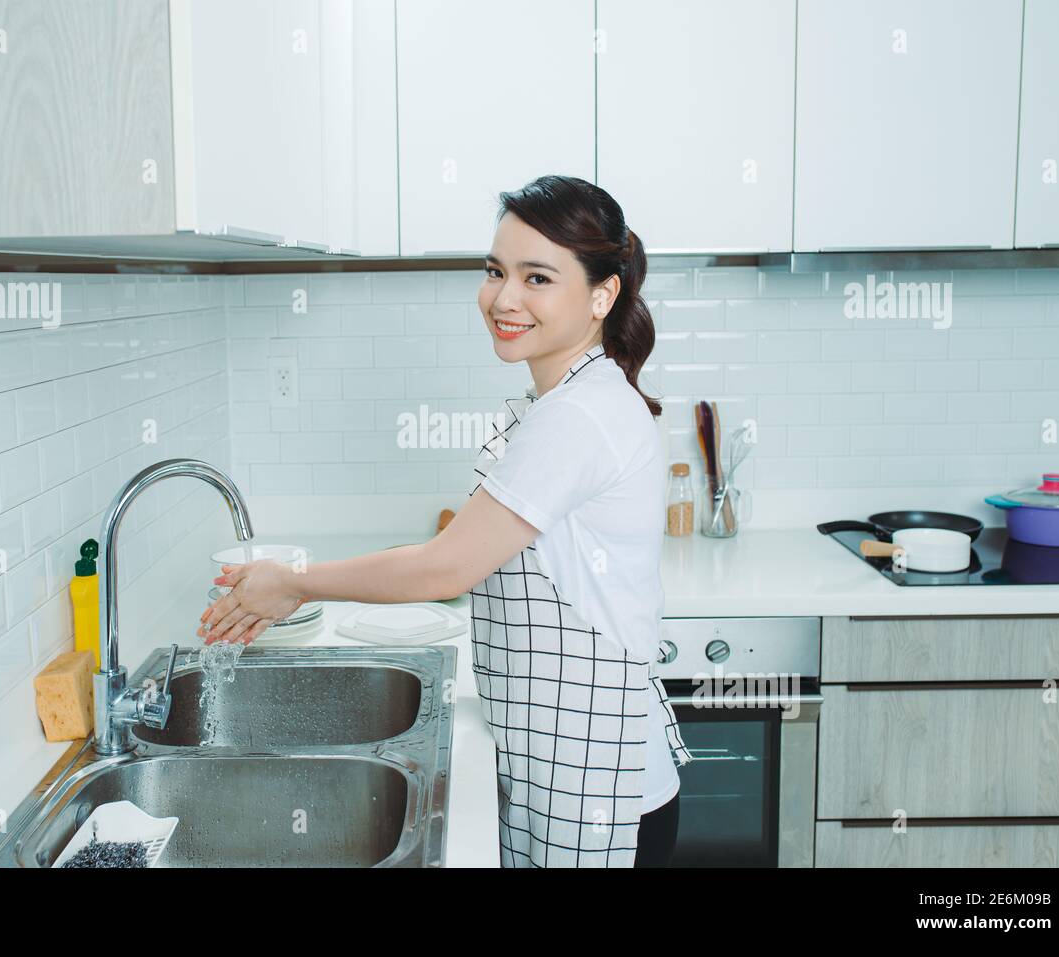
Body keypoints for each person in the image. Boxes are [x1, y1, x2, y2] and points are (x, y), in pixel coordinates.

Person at [199, 174, 693, 867]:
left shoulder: (578, 416)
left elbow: (446, 566)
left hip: (598, 783)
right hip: (582, 764)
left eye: (538, 277)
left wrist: (297, 582)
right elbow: (462, 545)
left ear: (601, 295)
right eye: (495, 271)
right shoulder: (578, 397)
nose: (504, 298)